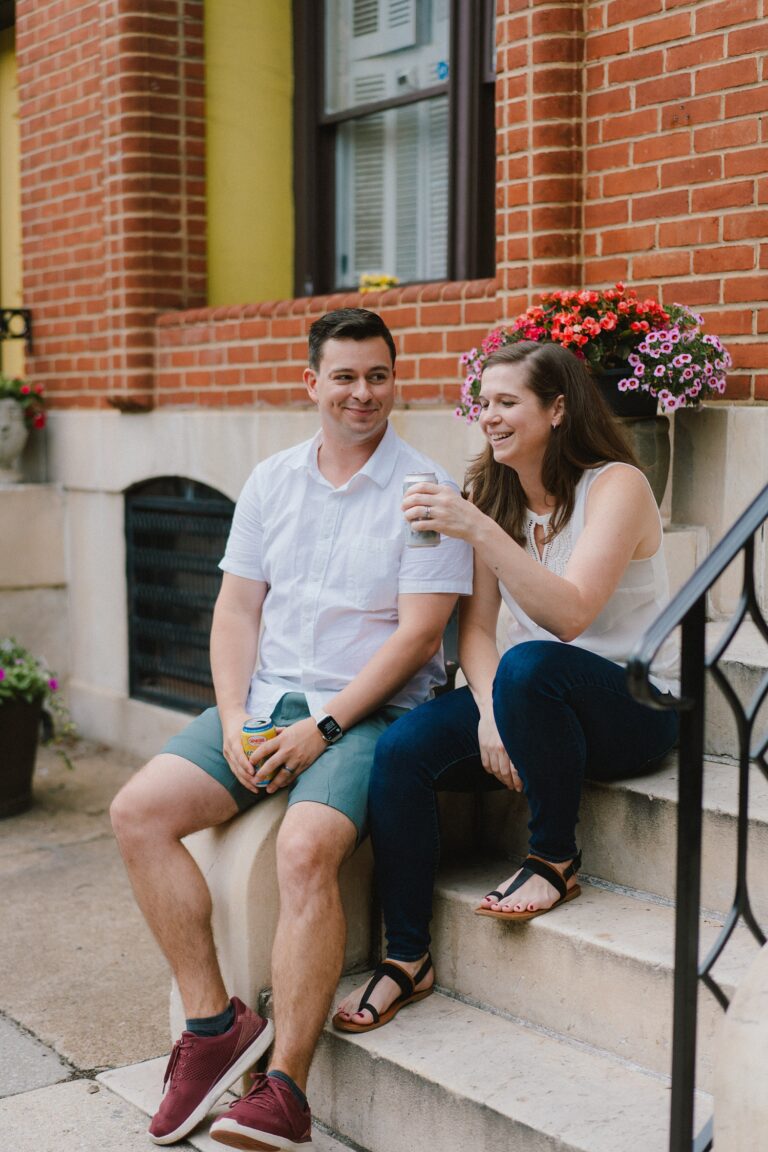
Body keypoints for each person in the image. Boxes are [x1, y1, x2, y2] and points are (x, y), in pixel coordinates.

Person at [110, 307, 472, 1149]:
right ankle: (212, 1030)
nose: (362, 393)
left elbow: (420, 635)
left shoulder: (425, 492)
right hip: (265, 700)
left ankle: (286, 1091)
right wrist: (235, 716)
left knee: (304, 851)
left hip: (368, 713)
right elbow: (237, 609)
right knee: (138, 814)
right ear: (310, 383)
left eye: (378, 375)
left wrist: (327, 726)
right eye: (344, 376)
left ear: (395, 381)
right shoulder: (272, 480)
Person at [333, 339, 679, 1033]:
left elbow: (571, 615)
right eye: (483, 403)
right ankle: (406, 959)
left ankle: (553, 856)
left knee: (533, 665)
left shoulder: (616, 486)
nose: (488, 418)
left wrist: (481, 531)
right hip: (528, 699)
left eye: (507, 403)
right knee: (402, 750)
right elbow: (478, 635)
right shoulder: (493, 493)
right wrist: (491, 716)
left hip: (635, 706)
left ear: (556, 409)